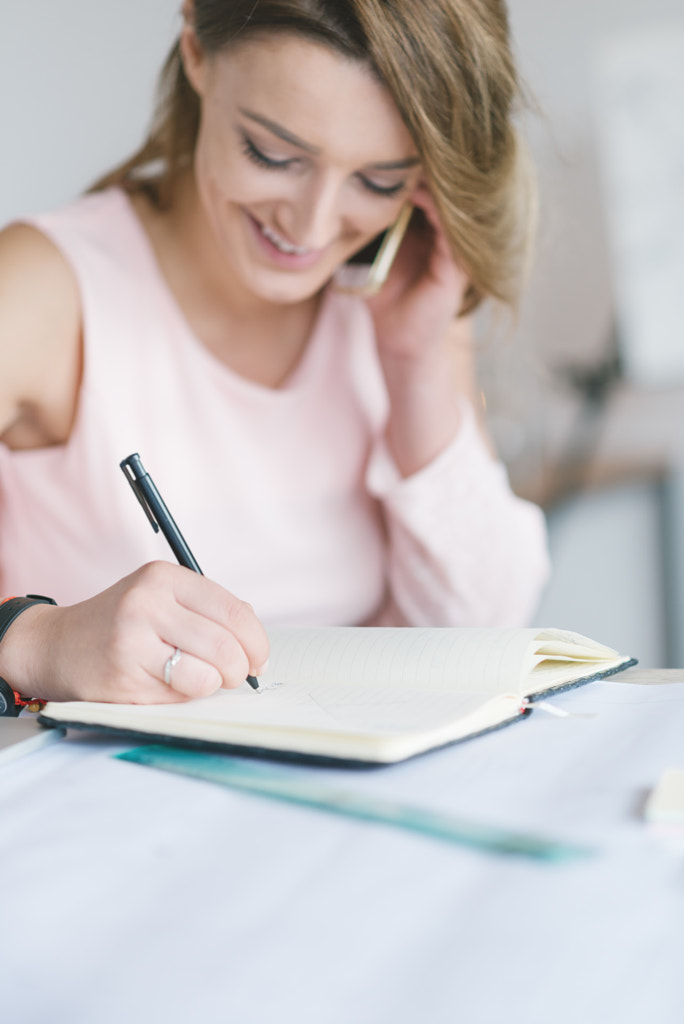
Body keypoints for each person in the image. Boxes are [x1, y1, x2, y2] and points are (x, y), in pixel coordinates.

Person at [0, 0, 549, 709]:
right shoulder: (42, 291)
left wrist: (416, 367)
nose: (313, 227)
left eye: (379, 181)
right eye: (274, 154)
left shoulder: (399, 297)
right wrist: (37, 641)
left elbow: (483, 628)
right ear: (195, 46)